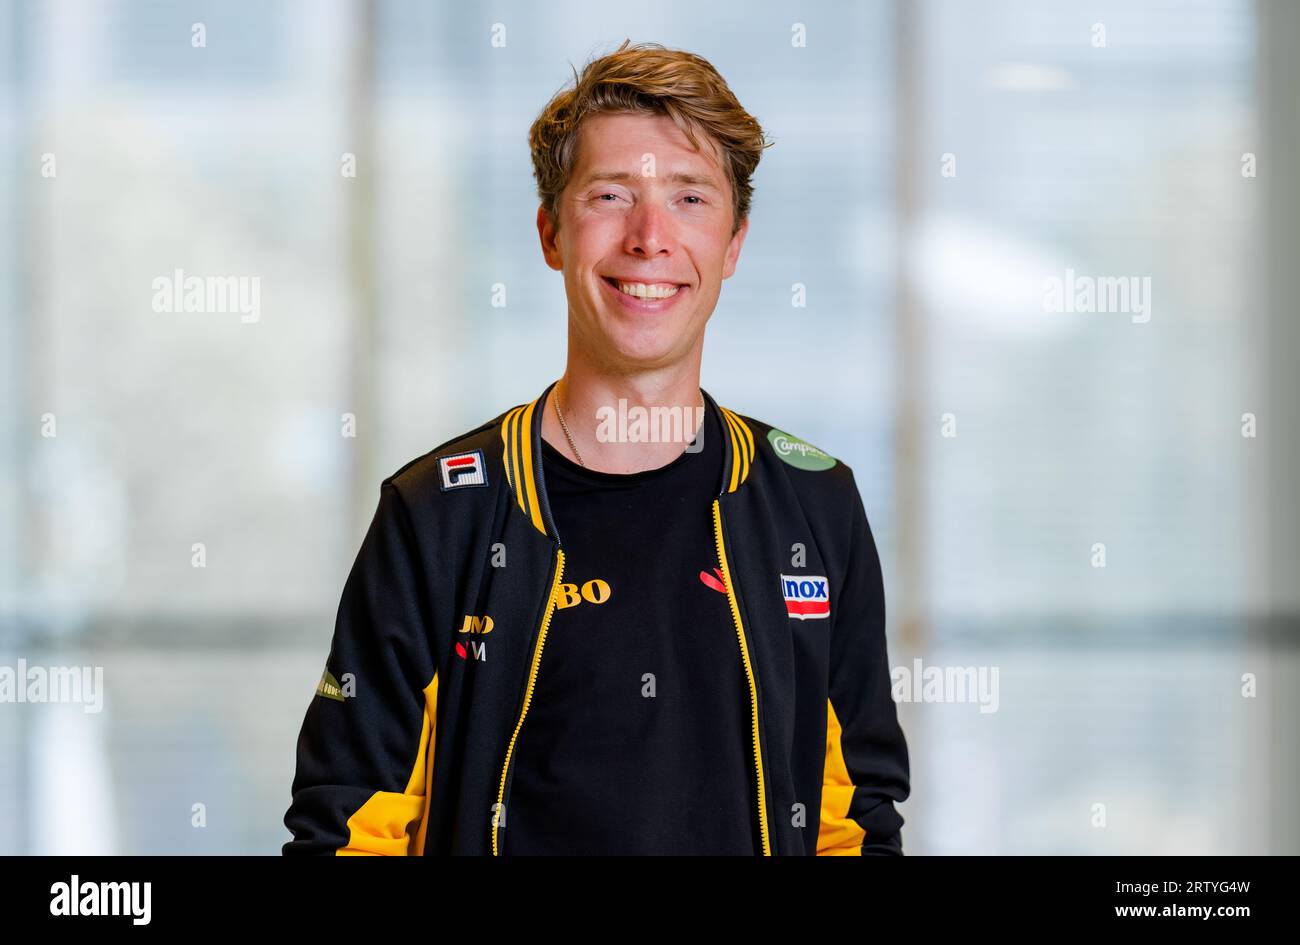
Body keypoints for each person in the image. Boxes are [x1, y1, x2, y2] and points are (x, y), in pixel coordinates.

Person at [282, 39, 910, 856]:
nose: (650, 237)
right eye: (612, 195)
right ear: (551, 233)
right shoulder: (437, 515)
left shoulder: (815, 505)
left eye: (689, 198)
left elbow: (856, 823)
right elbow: (344, 829)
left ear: (734, 244)